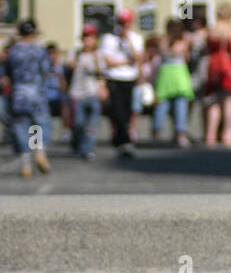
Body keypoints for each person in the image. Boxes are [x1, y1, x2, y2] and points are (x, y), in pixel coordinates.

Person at [6, 19, 52, 177]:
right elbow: (46, 71)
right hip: (36, 91)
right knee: (38, 125)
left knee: (21, 127)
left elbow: (8, 73)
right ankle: (39, 152)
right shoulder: (40, 50)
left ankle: (26, 163)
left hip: (19, 92)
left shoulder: (13, 51)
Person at [100, 9, 143, 157]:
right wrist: (126, 61)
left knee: (128, 111)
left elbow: (138, 57)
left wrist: (128, 41)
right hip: (115, 78)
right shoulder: (108, 39)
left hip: (130, 78)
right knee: (117, 111)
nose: (123, 27)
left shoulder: (136, 38)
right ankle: (124, 140)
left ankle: (122, 139)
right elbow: (108, 61)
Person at [202, 2, 231, 146]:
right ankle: (227, 134)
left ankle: (210, 135)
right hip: (227, 65)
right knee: (229, 101)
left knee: (214, 101)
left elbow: (206, 48)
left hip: (213, 65)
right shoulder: (230, 30)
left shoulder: (211, 29)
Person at [153, 19, 194, 146]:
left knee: (162, 104)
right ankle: (180, 133)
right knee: (180, 105)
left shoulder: (163, 41)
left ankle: (157, 132)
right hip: (178, 74)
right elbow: (186, 55)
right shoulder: (182, 41)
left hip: (165, 74)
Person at [68, 24, 105, 160]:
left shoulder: (98, 55)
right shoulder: (76, 53)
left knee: (92, 125)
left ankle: (87, 149)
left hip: (93, 93)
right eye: (85, 37)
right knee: (79, 123)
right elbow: (70, 66)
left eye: (90, 37)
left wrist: (102, 88)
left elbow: (102, 74)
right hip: (78, 94)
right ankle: (76, 142)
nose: (87, 41)